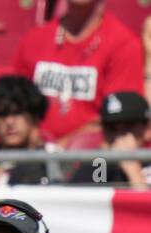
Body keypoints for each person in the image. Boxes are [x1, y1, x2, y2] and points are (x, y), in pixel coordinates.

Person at [12, 0, 142, 145]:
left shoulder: (124, 45)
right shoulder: (34, 40)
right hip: (34, 155)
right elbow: (14, 105)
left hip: (93, 160)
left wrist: (61, 148)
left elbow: (118, 120)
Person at [0, 75, 65, 187]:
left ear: (35, 116)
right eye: (1, 114)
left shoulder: (55, 158)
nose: (9, 122)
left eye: (18, 113)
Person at [67, 90, 151, 188]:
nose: (119, 135)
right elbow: (83, 199)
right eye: (112, 128)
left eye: (128, 126)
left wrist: (133, 171)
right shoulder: (99, 164)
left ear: (147, 129)